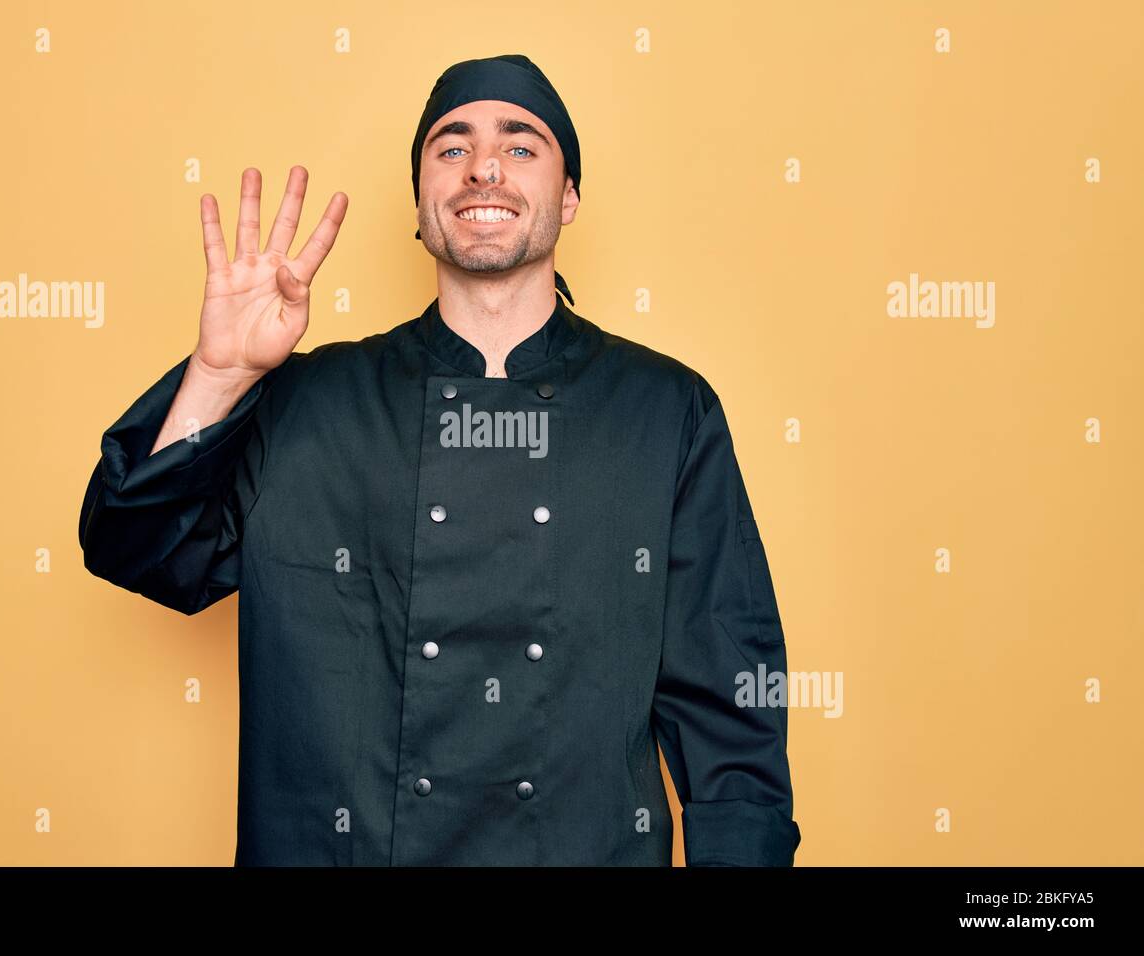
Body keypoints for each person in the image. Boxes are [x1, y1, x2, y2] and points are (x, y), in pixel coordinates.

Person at [78, 53, 802, 867]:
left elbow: (730, 709)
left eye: (521, 146)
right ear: (421, 204)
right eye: (451, 148)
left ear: (567, 198)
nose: (483, 167)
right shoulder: (308, 400)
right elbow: (139, 554)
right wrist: (219, 374)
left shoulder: (666, 410)